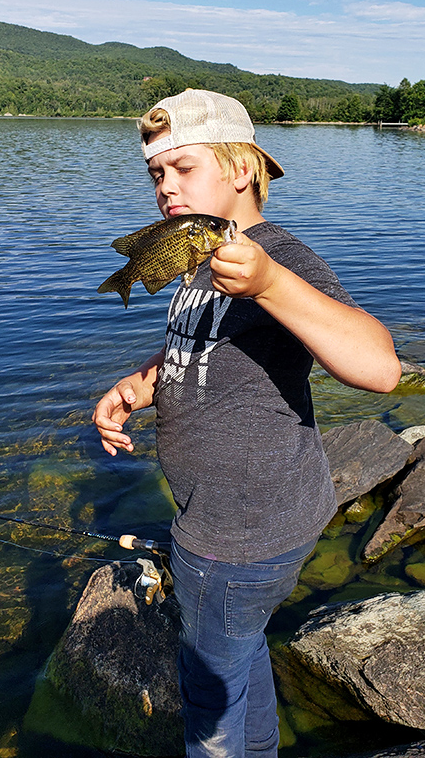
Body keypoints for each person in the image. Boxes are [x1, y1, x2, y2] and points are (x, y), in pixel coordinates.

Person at [93, 88, 401, 758]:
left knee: (209, 702)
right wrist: (139, 385)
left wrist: (269, 284)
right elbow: (201, 342)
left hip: (235, 536)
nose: (166, 188)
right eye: (156, 174)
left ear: (241, 169)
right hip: (248, 522)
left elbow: (381, 368)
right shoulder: (196, 253)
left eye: (183, 168)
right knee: (239, 660)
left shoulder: (275, 256)